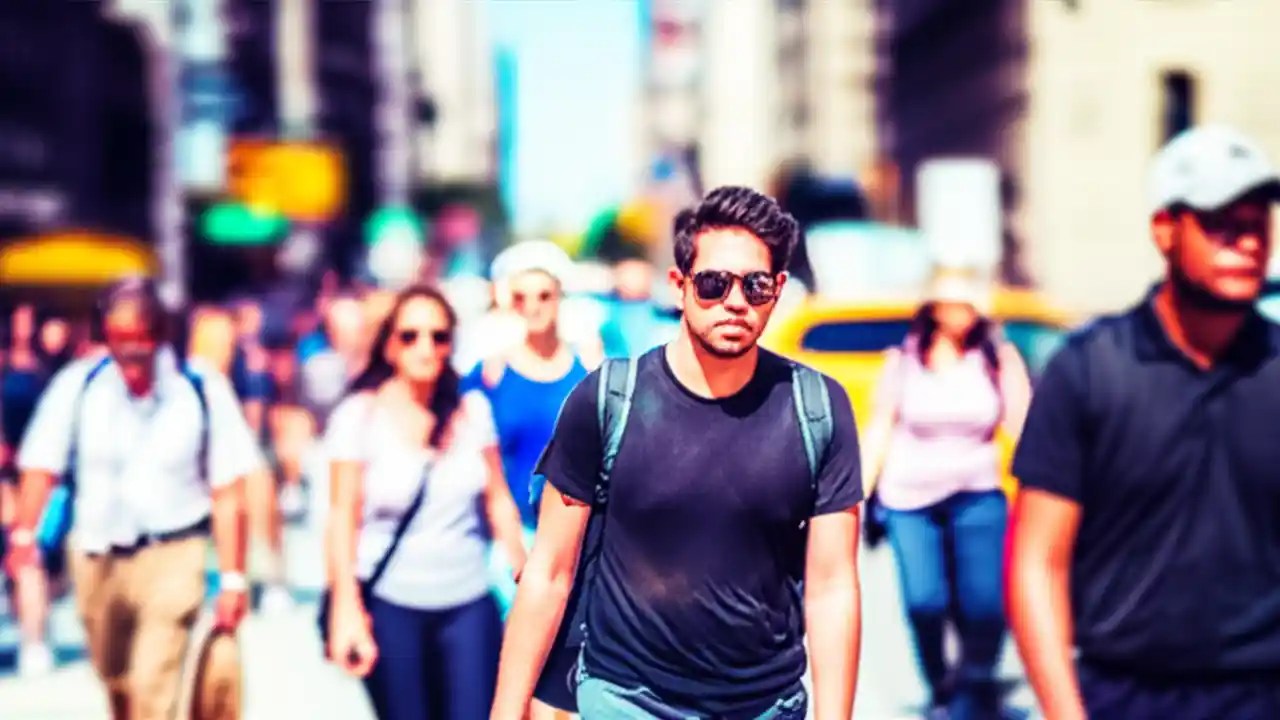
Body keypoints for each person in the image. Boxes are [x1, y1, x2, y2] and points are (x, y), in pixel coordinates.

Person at [492, 186, 864, 719]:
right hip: (626, 698)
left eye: (755, 285)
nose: (735, 301)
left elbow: (832, 586)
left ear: (778, 290)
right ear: (680, 285)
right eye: (714, 284)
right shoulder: (608, 400)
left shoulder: (817, 408)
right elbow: (548, 570)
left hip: (764, 704)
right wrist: (507, 711)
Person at [1008, 124, 1280, 720]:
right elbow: (1036, 561)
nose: (1248, 243)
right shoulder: (1089, 371)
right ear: (1165, 230)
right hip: (1122, 695)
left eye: (1258, 223)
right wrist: (1063, 712)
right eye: (1220, 224)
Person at [2, 278, 260, 720]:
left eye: (138, 337)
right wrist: (24, 534)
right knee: (117, 681)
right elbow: (41, 463)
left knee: (152, 685)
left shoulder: (198, 387)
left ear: (159, 333)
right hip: (96, 556)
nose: (129, 350)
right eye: (118, 338)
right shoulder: (80, 384)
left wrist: (234, 577)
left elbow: (227, 490)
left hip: (174, 553)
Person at [324, 285, 527, 720]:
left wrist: (525, 578)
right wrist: (347, 610)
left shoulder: (471, 411)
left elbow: (498, 499)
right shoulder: (359, 417)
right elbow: (342, 518)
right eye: (410, 336)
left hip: (467, 602)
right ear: (390, 346)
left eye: (438, 336)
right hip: (392, 604)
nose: (425, 347)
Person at [861, 268, 1031, 720]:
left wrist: (1044, 480)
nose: (960, 314)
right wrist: (858, 492)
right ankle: (940, 681)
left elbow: (1022, 425)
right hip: (909, 498)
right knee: (924, 600)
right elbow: (881, 426)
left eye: (968, 306)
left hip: (977, 493)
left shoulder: (997, 358)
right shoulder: (905, 358)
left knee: (984, 603)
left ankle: (974, 685)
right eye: (951, 305)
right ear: (933, 309)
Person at [465, 242, 591, 618]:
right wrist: (513, 550)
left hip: (577, 538)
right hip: (513, 536)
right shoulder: (490, 375)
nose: (533, 306)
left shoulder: (588, 369)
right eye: (521, 297)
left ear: (559, 298)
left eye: (544, 295)